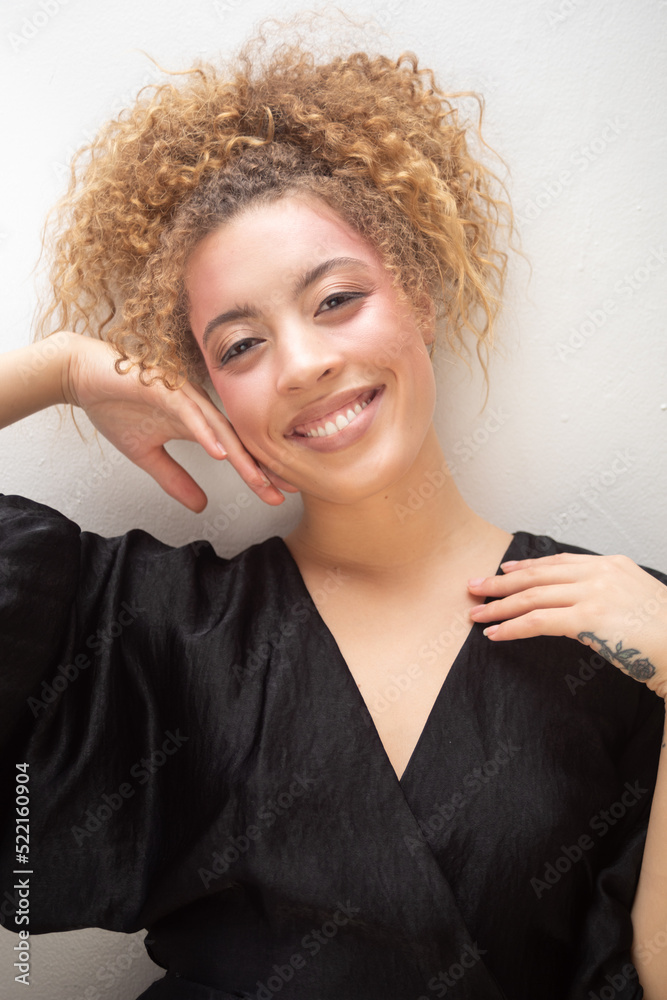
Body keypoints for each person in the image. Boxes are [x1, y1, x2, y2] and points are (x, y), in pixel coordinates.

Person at [1, 17, 666, 1000]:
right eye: (238, 347)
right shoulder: (149, 625)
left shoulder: (624, 625)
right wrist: (56, 370)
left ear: (423, 294)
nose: (304, 363)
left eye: (335, 299)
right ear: (210, 396)